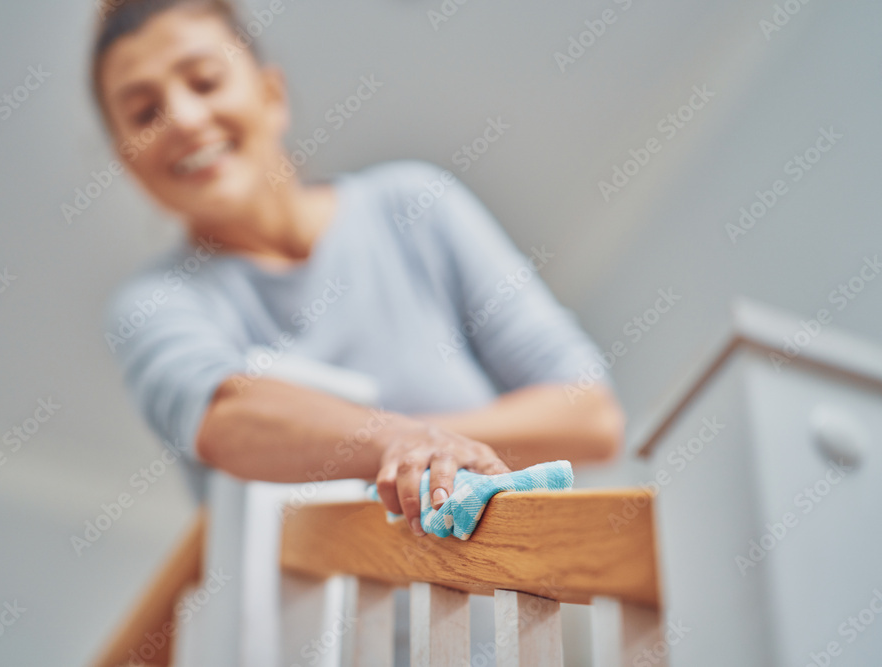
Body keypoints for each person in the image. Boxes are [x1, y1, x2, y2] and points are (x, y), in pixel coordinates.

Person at [94, 0, 624, 539]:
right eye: (143, 114)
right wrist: (401, 444)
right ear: (127, 163)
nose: (181, 119)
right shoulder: (155, 304)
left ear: (271, 95)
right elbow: (226, 419)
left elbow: (590, 416)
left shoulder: (414, 206)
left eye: (205, 82)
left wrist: (420, 446)